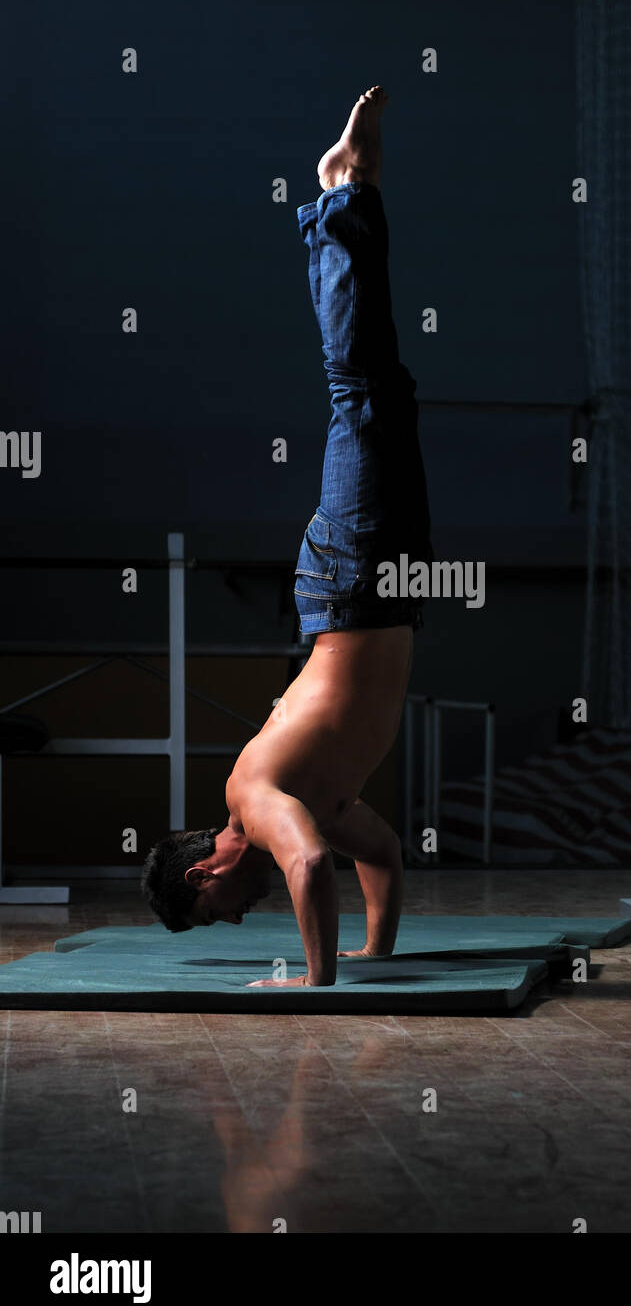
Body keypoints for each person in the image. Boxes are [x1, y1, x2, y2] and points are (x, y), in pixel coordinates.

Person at [141, 86, 433, 987]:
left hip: (350, 586)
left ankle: (340, 193)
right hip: (377, 593)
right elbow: (378, 851)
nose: (241, 916)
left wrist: (314, 984)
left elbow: (308, 866)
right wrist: (370, 953)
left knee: (362, 393)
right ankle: (338, 200)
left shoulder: (255, 802)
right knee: (383, 392)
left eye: (219, 912)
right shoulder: (311, 801)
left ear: (205, 873)